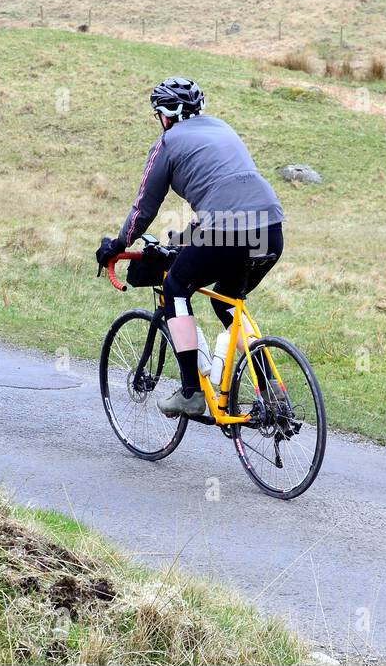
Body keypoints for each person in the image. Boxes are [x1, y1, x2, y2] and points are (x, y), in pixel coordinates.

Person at [96, 77, 285, 418]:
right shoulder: (223, 129)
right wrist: (186, 239)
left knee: (176, 286)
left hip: (227, 231)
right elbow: (227, 191)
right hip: (270, 228)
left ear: (165, 115)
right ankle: (270, 386)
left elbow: (143, 209)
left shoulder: (167, 143)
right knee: (228, 300)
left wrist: (117, 244)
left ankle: (191, 392)